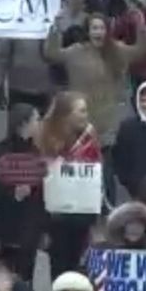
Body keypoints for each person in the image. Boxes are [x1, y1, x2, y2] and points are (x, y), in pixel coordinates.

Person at [44, 9, 146, 199]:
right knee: (81, 169)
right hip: (80, 122)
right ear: (88, 31)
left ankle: (107, 209)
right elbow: (51, 53)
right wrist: (55, 29)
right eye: (94, 28)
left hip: (107, 123)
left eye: (101, 28)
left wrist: (141, 26)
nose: (98, 32)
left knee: (105, 170)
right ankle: (81, 207)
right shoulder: (76, 52)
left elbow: (143, 50)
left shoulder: (117, 51)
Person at [37, 92, 106, 279]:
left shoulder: (89, 137)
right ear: (67, 115)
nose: (86, 115)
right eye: (81, 111)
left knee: (80, 267)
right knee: (60, 266)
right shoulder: (47, 139)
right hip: (56, 217)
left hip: (83, 215)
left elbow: (99, 170)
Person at [0, 104, 44, 281]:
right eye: (37, 120)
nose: (40, 124)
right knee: (0, 279)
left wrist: (44, 229)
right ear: (24, 123)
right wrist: (14, 194)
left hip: (29, 231)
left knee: (25, 281)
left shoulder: (40, 153)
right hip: (4, 228)